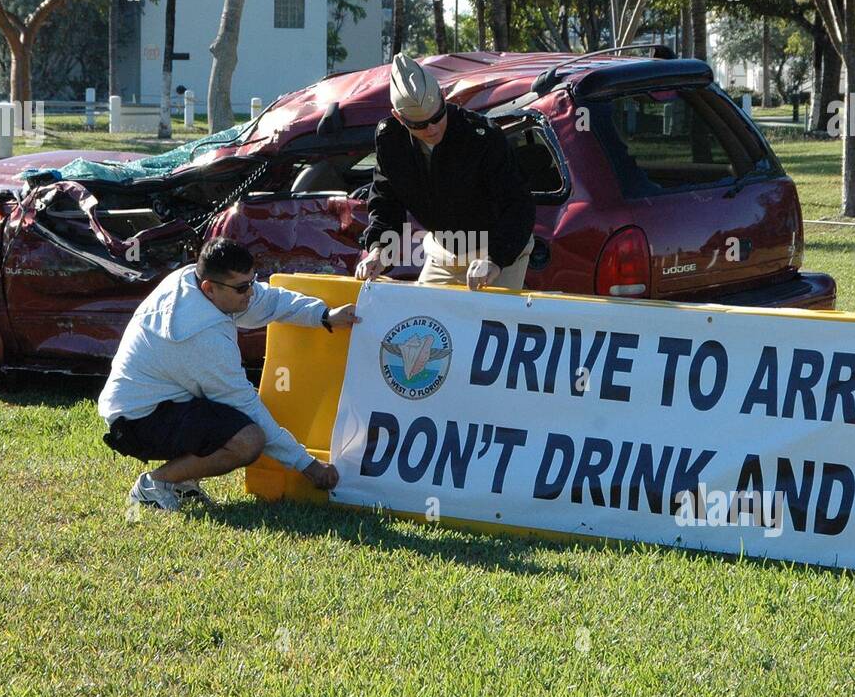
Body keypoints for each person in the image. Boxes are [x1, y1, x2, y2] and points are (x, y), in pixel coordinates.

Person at [99, 238, 359, 511]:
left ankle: (182, 483)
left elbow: (268, 299)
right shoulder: (201, 337)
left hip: (156, 403)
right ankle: (155, 485)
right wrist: (308, 466)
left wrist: (323, 315)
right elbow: (247, 407)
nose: (250, 292)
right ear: (209, 289)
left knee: (227, 421)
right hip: (135, 423)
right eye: (242, 288)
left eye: (252, 281)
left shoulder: (192, 278)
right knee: (248, 441)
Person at [354, 53, 536, 290]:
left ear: (442, 97)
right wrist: (378, 251)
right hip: (443, 252)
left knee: (485, 321)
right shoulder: (391, 140)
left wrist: (495, 260)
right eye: (418, 125)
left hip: (496, 250)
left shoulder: (481, 136)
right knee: (426, 321)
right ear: (398, 118)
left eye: (437, 117)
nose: (431, 129)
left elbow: (518, 205)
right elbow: (386, 202)